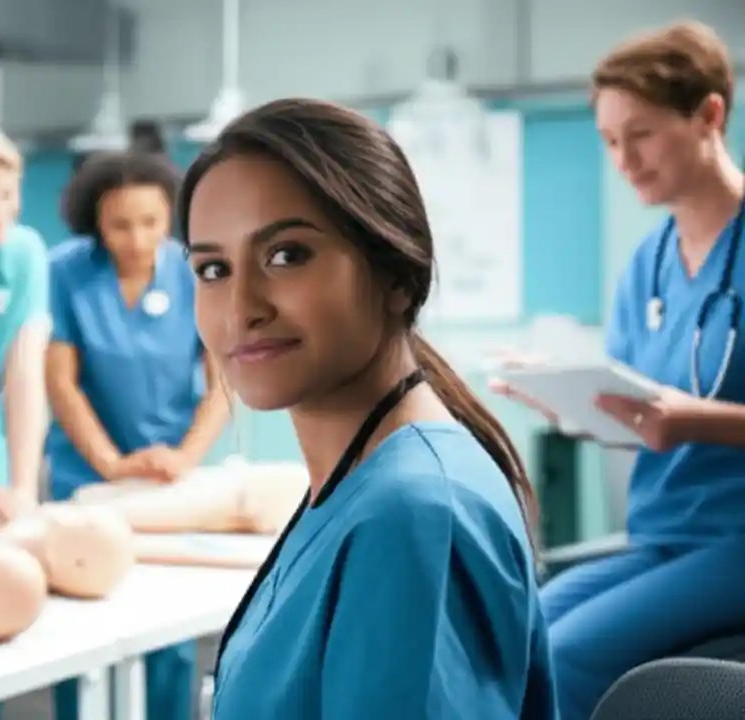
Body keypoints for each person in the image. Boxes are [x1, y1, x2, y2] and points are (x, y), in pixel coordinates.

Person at [179, 98, 557, 719]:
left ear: (396, 275)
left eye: (286, 255)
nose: (239, 307)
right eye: (213, 268)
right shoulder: (358, 481)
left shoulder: (414, 514)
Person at [492, 22, 745, 720]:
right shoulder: (649, 264)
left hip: (736, 540)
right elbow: (645, 419)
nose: (623, 159)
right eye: (608, 141)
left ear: (710, 115)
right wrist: (573, 405)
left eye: (641, 134)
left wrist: (694, 419)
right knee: (520, 633)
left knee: (566, 658)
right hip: (662, 532)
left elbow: (679, 415)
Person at [45, 150, 229, 720]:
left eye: (151, 222)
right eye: (119, 223)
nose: (137, 237)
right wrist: (108, 464)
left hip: (166, 479)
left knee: (166, 635)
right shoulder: (66, 272)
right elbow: (62, 383)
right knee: (84, 630)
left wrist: (186, 457)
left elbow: (222, 383)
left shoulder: (194, 271)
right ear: (93, 220)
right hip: (86, 479)